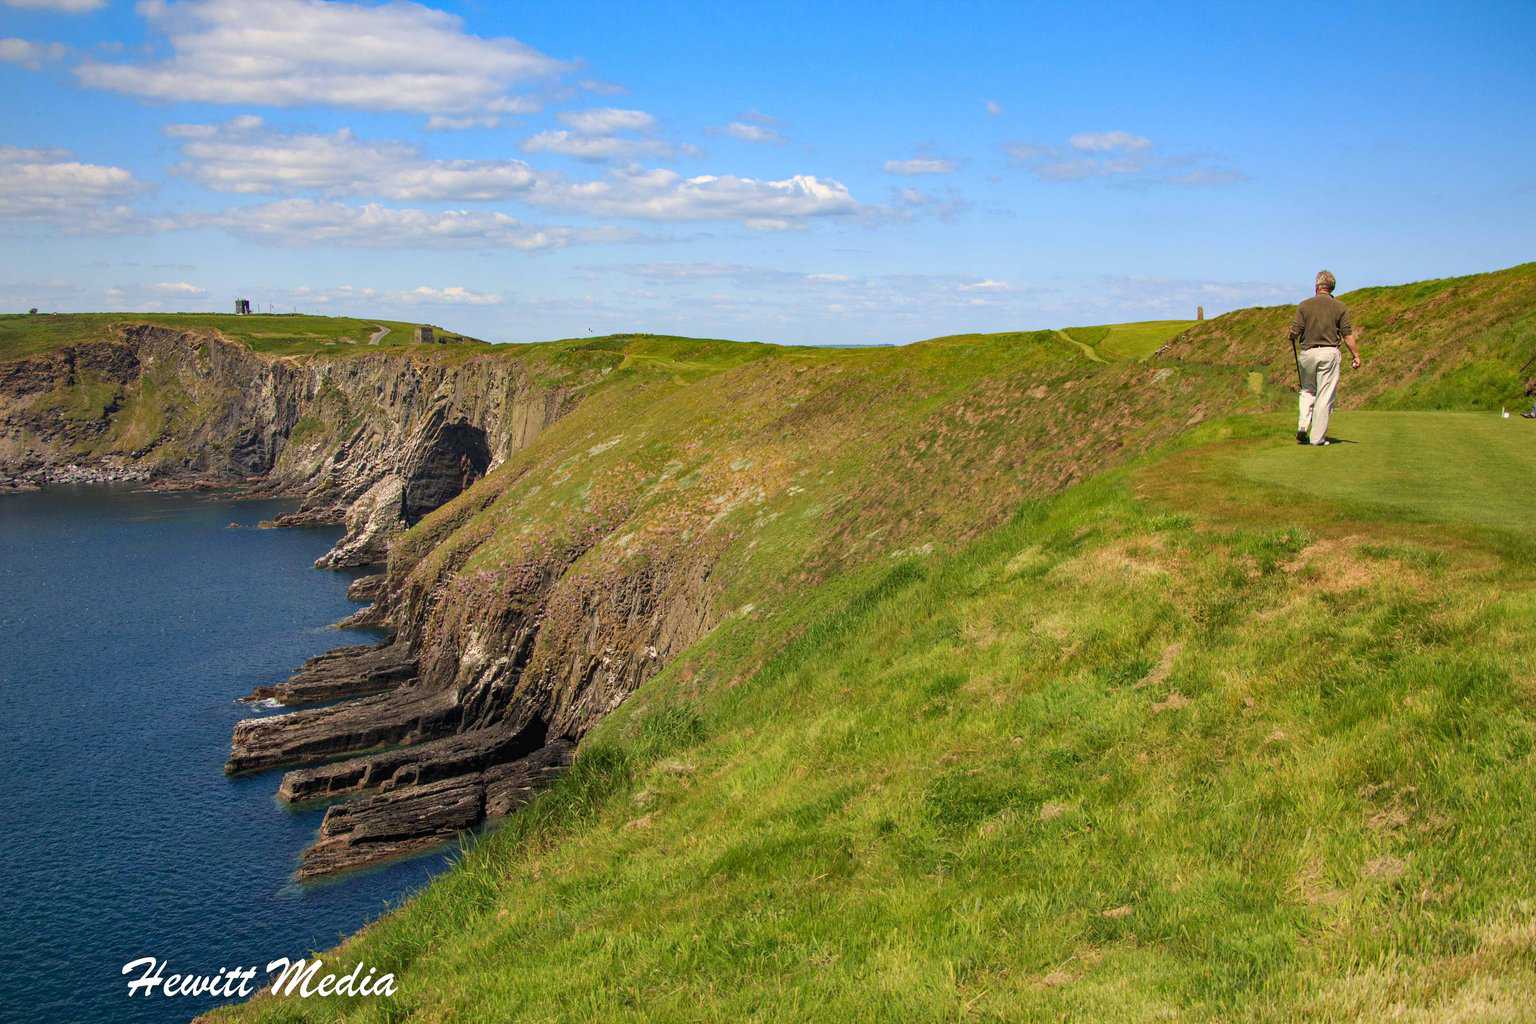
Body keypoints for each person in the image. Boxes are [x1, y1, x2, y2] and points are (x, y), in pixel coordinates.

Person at [1288, 270, 1361, 446]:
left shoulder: (1304, 305)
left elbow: (1294, 331)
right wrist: (1356, 355)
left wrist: (1291, 335)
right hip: (1329, 353)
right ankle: (1317, 438)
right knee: (1325, 395)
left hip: (1307, 353)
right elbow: (1347, 334)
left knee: (1307, 390)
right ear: (1332, 288)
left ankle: (1303, 426)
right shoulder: (1340, 307)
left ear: (1316, 287)